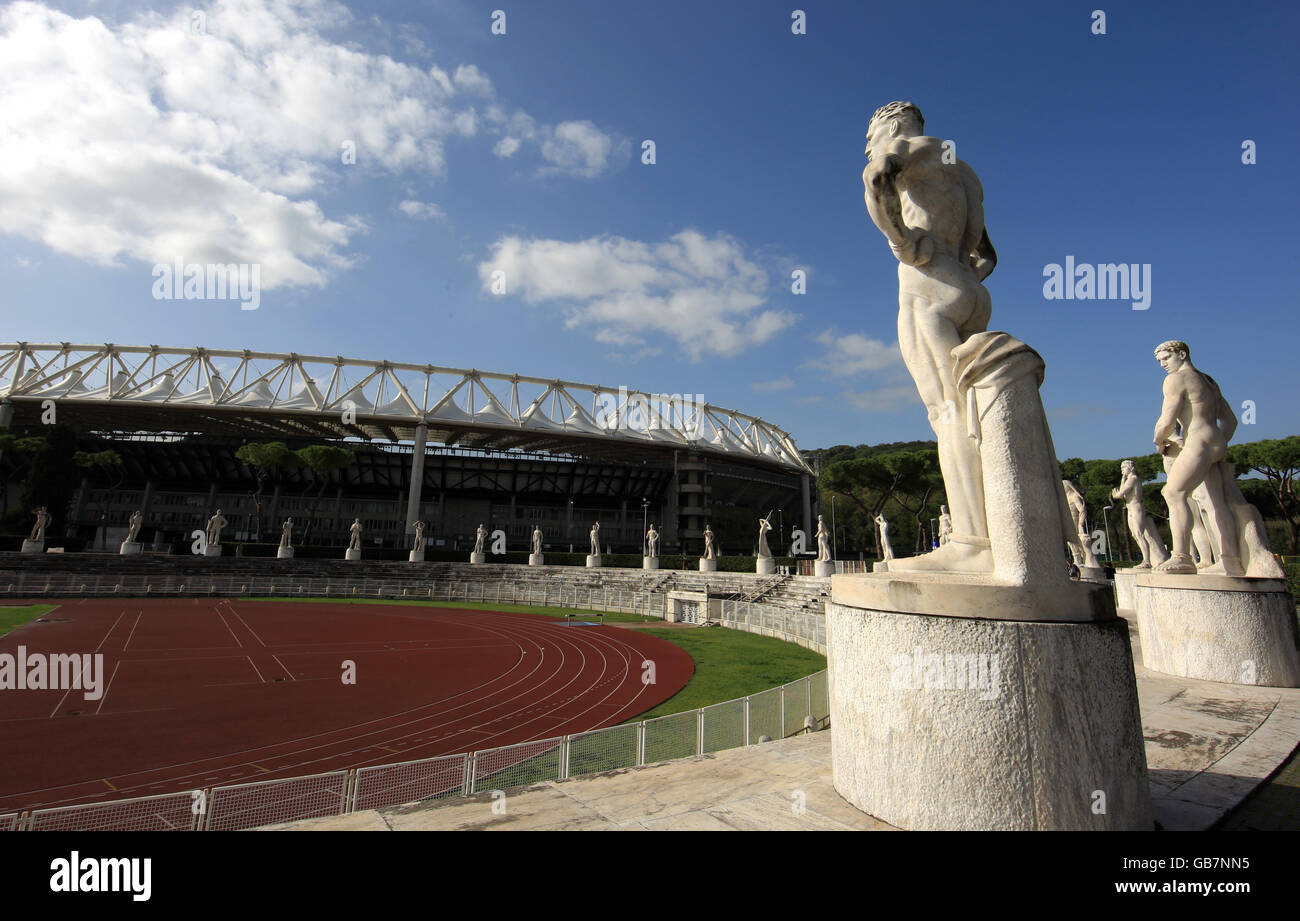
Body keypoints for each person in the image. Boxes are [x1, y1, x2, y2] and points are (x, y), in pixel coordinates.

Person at [863, 101, 997, 571]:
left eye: (869, 134)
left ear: (893, 125)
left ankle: (973, 544)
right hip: (970, 288)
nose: (868, 146)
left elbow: (877, 177)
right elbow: (987, 254)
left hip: (929, 285)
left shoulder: (905, 147)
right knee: (975, 408)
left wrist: (900, 241)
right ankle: (1001, 532)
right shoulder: (961, 169)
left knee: (947, 412)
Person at [1151, 341, 1240, 575]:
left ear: (1181, 354)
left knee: (1172, 492)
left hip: (1197, 439)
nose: (1163, 365)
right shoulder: (1209, 381)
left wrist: (1159, 440)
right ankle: (1230, 559)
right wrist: (1219, 442)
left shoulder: (1175, 380)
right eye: (1160, 361)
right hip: (1214, 439)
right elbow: (1231, 421)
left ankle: (1182, 556)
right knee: (1214, 503)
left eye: (1166, 358)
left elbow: (1168, 418)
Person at [1110, 460, 1168, 569]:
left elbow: (1121, 494)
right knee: (1135, 535)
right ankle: (1146, 560)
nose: (1122, 470)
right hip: (1130, 509)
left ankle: (1146, 561)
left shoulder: (1133, 479)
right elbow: (1122, 493)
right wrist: (1122, 479)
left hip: (1136, 508)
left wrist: (1115, 495)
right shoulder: (1128, 479)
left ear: (1131, 468)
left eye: (1124, 468)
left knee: (1139, 534)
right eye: (1121, 468)